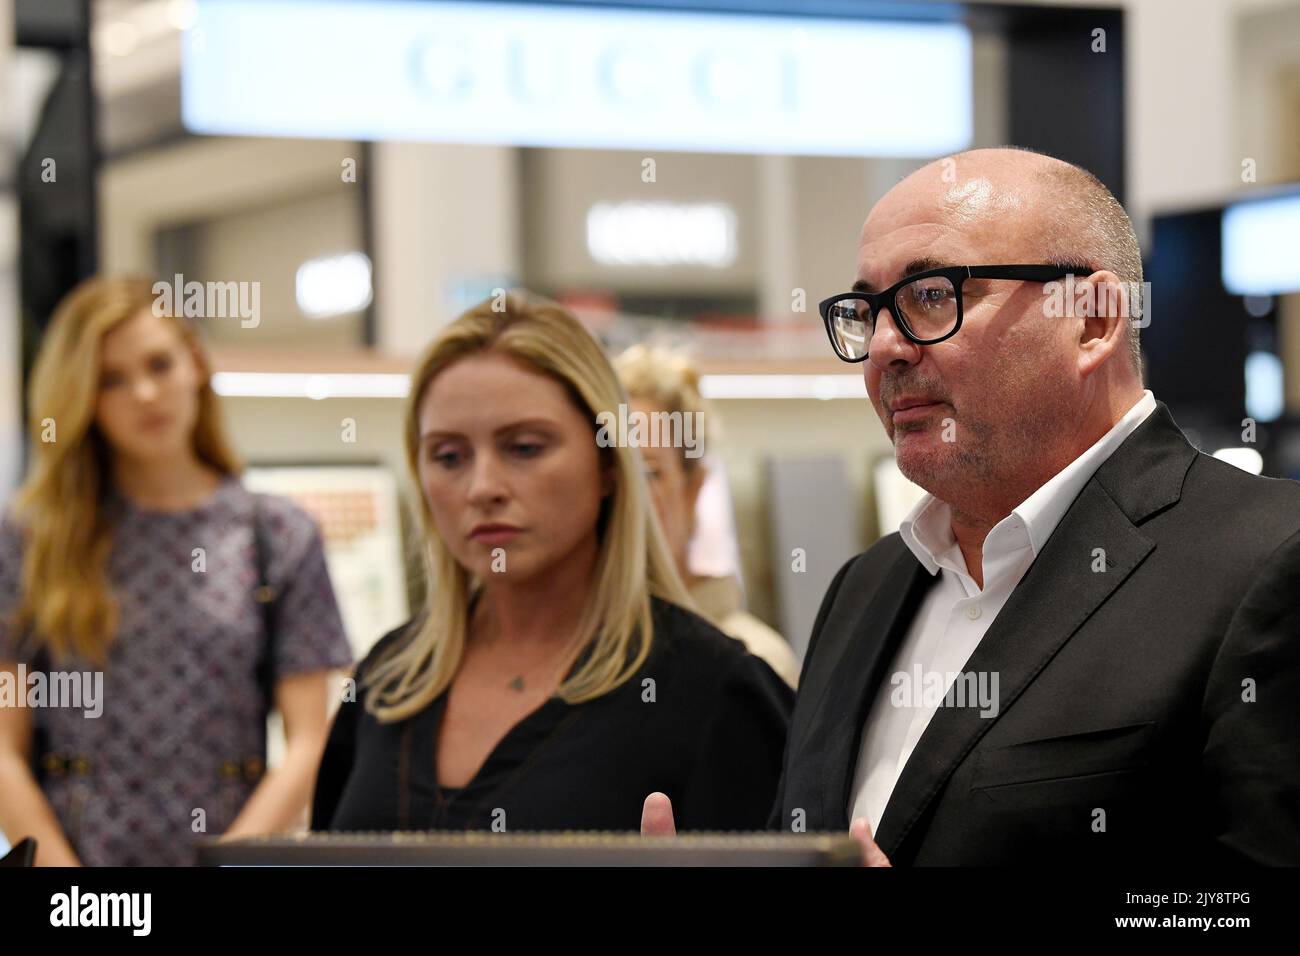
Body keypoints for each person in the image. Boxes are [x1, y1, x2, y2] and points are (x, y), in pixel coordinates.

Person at [644, 147, 1300, 866]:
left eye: (931, 295)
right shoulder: (865, 588)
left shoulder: (1266, 560)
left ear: (1093, 318)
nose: (886, 347)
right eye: (867, 312)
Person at [311, 293, 791, 833]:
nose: (482, 488)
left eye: (525, 448)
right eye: (448, 457)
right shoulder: (387, 680)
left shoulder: (714, 692)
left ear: (609, 464)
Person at [0, 276, 352, 866]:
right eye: (111, 379)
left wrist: (227, 865)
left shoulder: (277, 535)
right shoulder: (34, 539)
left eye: (159, 364)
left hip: (224, 853)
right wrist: (65, 887)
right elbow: (3, 748)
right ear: (82, 395)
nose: (143, 393)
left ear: (195, 363)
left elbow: (310, 745)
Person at [614, 344, 799, 687]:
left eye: (647, 474)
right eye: (612, 474)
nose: (625, 499)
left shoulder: (755, 660)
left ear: (693, 488)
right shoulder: (574, 646)